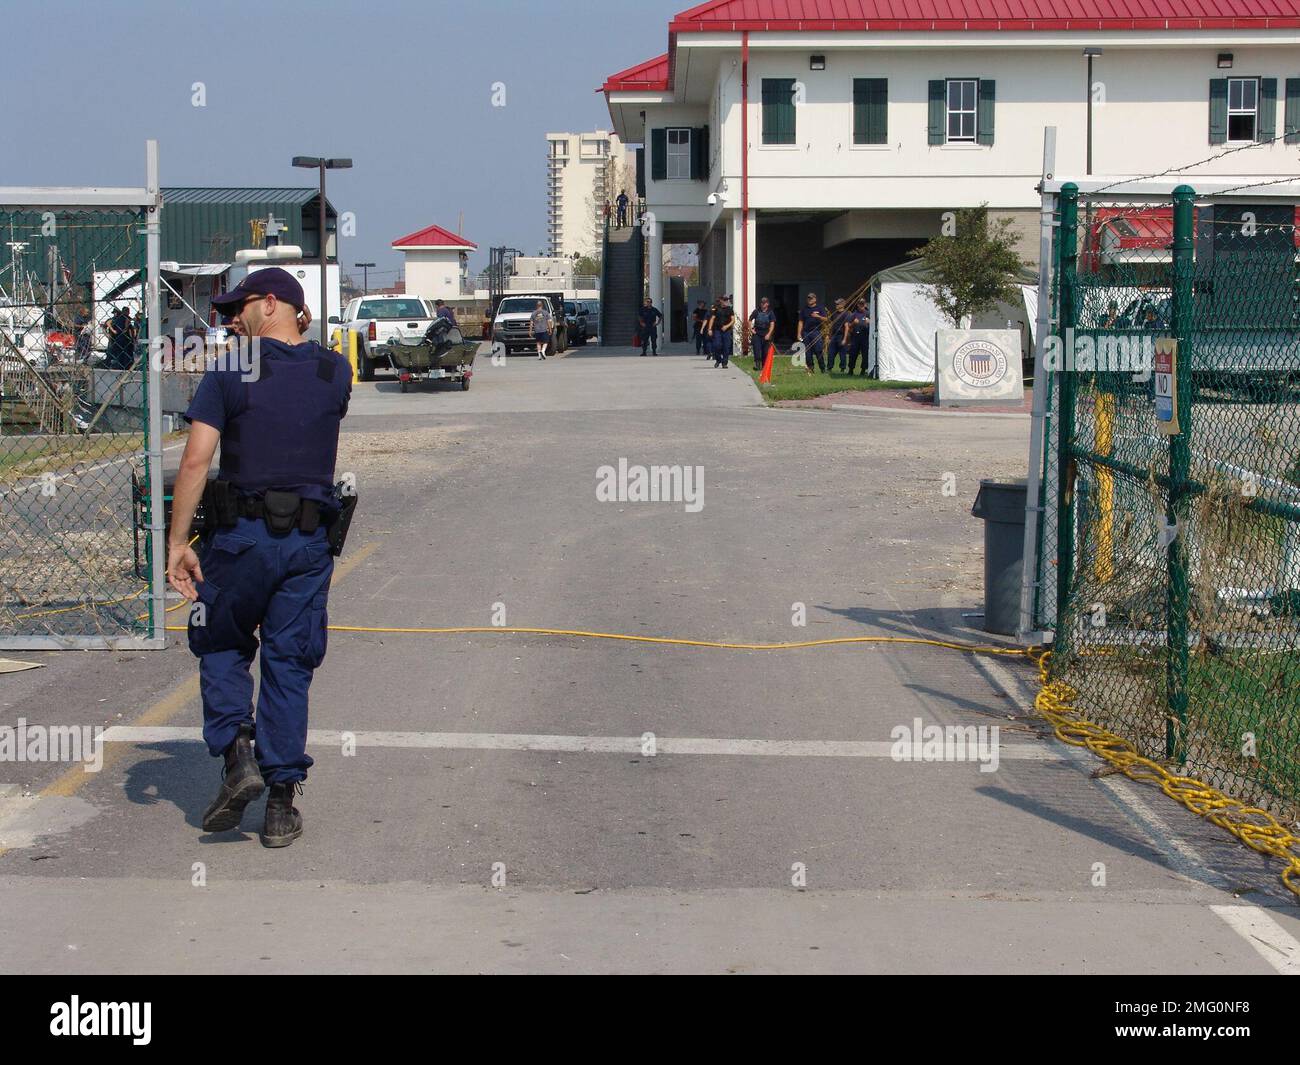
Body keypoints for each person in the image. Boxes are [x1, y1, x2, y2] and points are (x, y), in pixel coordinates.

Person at [165, 267, 352, 850]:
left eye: (238, 308)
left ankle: (237, 754)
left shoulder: (229, 371)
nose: (230, 319)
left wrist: (177, 546)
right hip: (308, 544)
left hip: (239, 539)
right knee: (289, 661)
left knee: (219, 639)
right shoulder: (335, 371)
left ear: (270, 303)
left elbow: (195, 463)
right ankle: (279, 804)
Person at [797, 292, 829, 374]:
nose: (809, 300)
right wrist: (799, 333)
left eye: (811, 298)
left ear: (815, 299)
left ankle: (822, 368)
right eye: (808, 298)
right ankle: (811, 368)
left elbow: (826, 319)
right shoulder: (804, 309)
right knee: (808, 352)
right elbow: (800, 322)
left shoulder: (820, 308)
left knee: (818, 350)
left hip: (816, 332)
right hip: (806, 332)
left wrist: (818, 316)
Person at [845, 297, 871, 376]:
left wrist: (870, 322)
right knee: (853, 353)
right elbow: (848, 326)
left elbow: (875, 324)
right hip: (855, 337)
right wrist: (853, 323)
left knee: (865, 354)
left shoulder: (868, 313)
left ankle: (863, 369)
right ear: (857, 305)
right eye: (860, 304)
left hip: (865, 337)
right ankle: (851, 369)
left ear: (865, 304)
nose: (861, 305)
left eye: (863, 304)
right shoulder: (853, 314)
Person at [749, 296, 776, 369]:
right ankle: (757, 365)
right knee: (757, 350)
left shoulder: (770, 312)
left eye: (764, 303)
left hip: (766, 334)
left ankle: (764, 366)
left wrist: (769, 334)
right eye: (762, 303)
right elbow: (750, 320)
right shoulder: (756, 311)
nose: (762, 304)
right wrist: (751, 329)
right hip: (757, 333)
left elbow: (772, 324)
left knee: (765, 352)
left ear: (767, 304)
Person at [105, 305, 135, 369]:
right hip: (120, 338)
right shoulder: (120, 318)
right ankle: (122, 365)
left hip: (119, 338)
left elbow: (129, 327)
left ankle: (122, 365)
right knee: (121, 352)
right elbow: (108, 323)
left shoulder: (120, 318)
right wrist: (112, 331)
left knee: (121, 352)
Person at [827, 298, 849, 373]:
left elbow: (846, 327)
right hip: (834, 336)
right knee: (831, 353)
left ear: (842, 305)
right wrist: (829, 337)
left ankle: (843, 368)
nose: (836, 305)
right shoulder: (834, 314)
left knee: (842, 354)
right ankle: (829, 368)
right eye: (836, 304)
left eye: (838, 304)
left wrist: (844, 339)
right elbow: (831, 326)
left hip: (841, 336)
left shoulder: (846, 314)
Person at [713, 294, 735, 368]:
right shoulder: (716, 308)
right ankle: (718, 360)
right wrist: (709, 329)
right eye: (725, 300)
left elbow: (733, 320)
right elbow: (712, 319)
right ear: (721, 300)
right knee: (717, 345)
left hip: (727, 330)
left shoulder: (730, 309)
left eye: (727, 300)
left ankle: (724, 363)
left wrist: (726, 326)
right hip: (717, 330)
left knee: (726, 347)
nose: (726, 301)